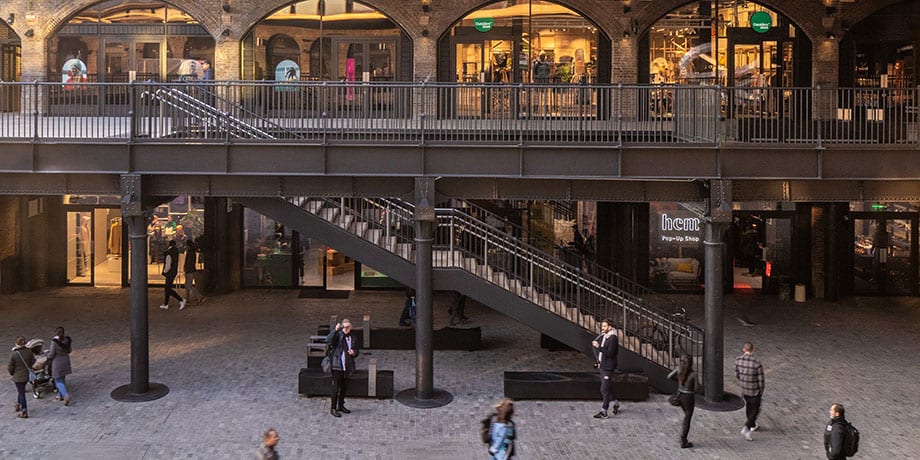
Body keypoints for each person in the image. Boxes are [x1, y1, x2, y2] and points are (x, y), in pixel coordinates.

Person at [326, 319, 359, 417]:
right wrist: (335, 330)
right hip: (337, 366)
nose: (346, 329)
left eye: (348, 327)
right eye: (344, 327)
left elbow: (357, 350)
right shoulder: (338, 336)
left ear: (351, 327)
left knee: (344, 387)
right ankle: (333, 408)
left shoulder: (352, 338)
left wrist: (354, 352)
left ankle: (341, 405)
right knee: (336, 387)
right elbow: (328, 340)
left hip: (347, 365)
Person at [735, 341, 765, 440]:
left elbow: (737, 374)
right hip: (754, 390)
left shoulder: (738, 360)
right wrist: (761, 390)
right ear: (753, 350)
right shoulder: (756, 363)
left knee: (749, 406)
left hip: (744, 389)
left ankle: (752, 424)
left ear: (744, 349)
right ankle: (747, 427)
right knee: (755, 409)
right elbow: (761, 379)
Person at [591, 318, 620, 418]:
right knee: (608, 386)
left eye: (604, 326)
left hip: (608, 367)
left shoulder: (613, 338)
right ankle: (616, 403)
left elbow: (610, 353)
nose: (602, 328)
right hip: (604, 365)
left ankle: (604, 411)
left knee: (604, 389)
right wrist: (600, 362)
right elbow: (603, 354)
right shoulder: (606, 336)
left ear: (610, 327)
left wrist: (598, 347)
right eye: (602, 326)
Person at [668, 355, 697, 448]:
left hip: (680, 394)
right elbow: (696, 388)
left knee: (686, 416)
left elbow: (669, 376)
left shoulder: (678, 369)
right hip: (688, 397)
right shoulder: (693, 374)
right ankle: (683, 440)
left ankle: (683, 438)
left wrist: (679, 381)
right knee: (688, 417)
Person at [8, 336, 35, 418]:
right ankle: (18, 404)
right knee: (21, 390)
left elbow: (10, 367)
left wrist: (12, 373)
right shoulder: (29, 352)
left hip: (18, 377)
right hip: (26, 375)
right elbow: (33, 362)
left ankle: (24, 411)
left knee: (21, 393)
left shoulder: (14, 354)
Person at [46, 327, 73, 406]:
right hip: (65, 361)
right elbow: (69, 350)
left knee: (57, 380)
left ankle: (65, 395)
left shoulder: (54, 342)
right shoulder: (67, 340)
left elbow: (51, 354)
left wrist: (46, 354)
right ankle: (59, 395)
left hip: (57, 363)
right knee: (62, 379)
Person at [160, 240, 187, 311]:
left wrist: (164, 271)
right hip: (173, 272)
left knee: (168, 289)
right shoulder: (176, 252)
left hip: (169, 273)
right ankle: (166, 304)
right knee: (167, 288)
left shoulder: (168, 253)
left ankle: (181, 300)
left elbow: (168, 265)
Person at [184, 238, 206, 306]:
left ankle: (200, 296)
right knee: (187, 285)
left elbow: (189, 262)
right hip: (190, 269)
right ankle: (187, 298)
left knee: (189, 285)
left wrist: (186, 269)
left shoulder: (190, 252)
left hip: (189, 270)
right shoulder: (192, 251)